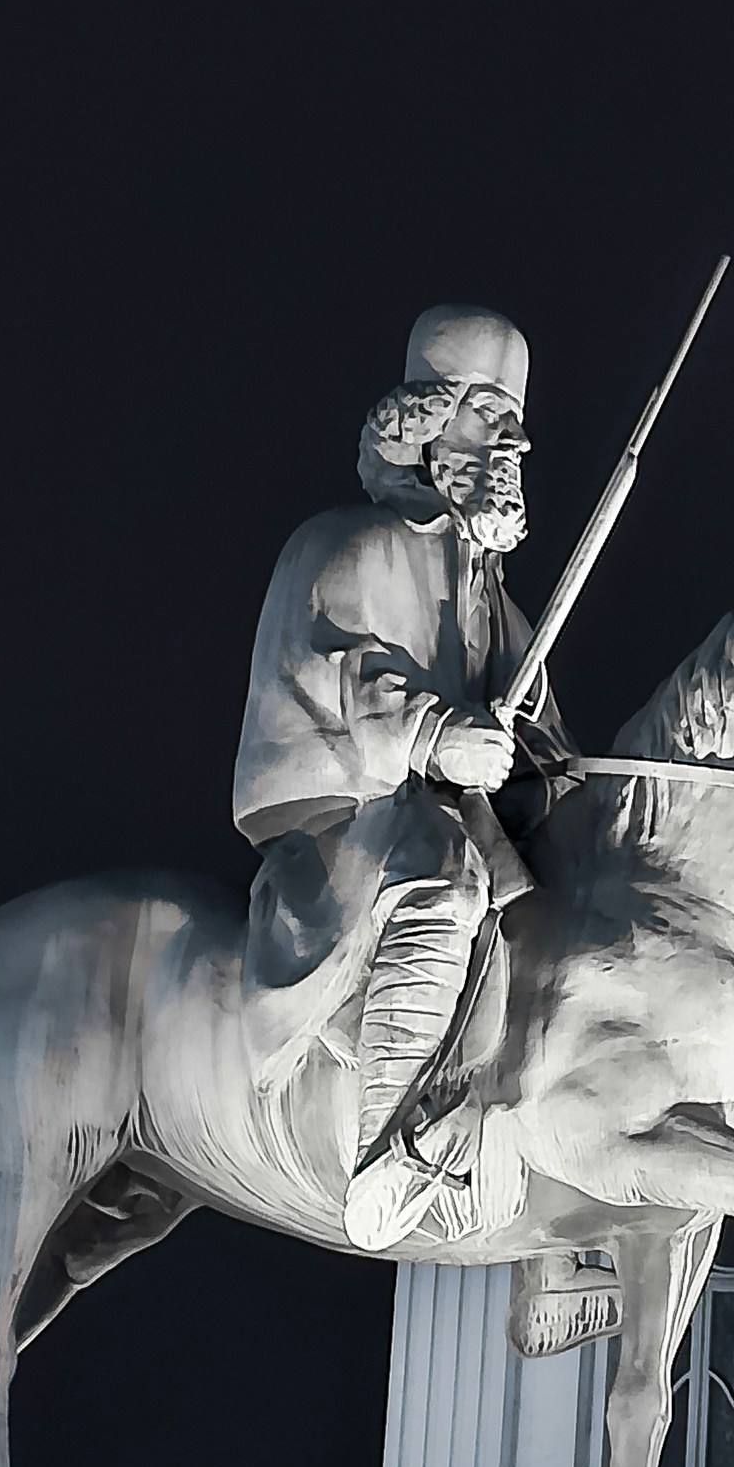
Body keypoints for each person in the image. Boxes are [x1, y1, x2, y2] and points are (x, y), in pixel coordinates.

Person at [233, 305, 574, 1252]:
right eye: (486, 415)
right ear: (425, 425)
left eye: (515, 421)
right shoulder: (347, 542)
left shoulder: (486, 589)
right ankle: (387, 1144)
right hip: (339, 802)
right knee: (444, 872)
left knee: (541, 887)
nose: (511, 441)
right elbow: (343, 672)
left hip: (435, 800)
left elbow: (530, 717)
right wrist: (439, 736)